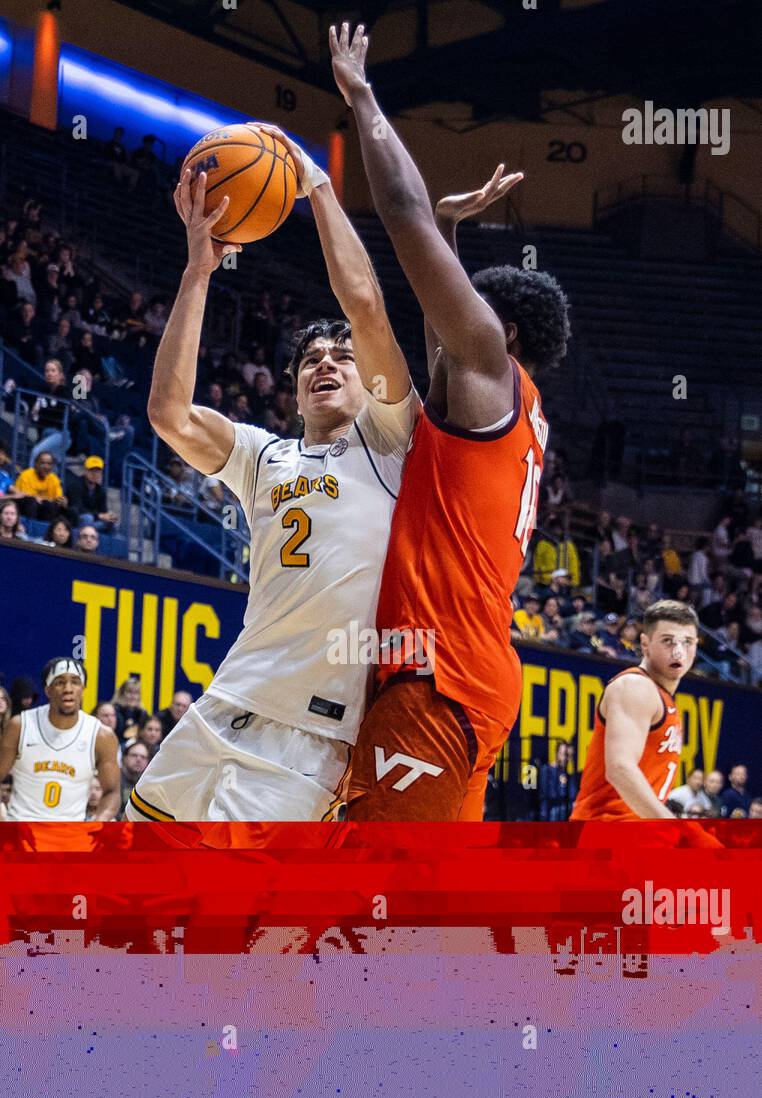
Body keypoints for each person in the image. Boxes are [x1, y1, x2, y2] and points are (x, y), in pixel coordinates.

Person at [125, 123, 418, 823]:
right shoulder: (264, 456)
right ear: (291, 389)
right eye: (310, 358)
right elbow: (168, 412)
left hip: (312, 731)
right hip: (226, 701)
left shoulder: (388, 444)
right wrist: (199, 269)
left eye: (340, 358)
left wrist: (314, 183)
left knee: (237, 920)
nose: (325, 362)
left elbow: (367, 306)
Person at [330, 24, 570, 821]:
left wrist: (362, 97)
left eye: (470, 304)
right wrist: (454, 226)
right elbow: (443, 332)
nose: (454, 306)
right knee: (425, 914)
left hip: (438, 679)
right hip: (472, 675)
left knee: (368, 910)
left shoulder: (488, 366)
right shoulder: (509, 405)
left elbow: (401, 217)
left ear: (501, 331)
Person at [571, 600, 699, 820]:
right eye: (668, 641)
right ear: (645, 643)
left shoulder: (662, 696)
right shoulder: (636, 686)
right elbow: (620, 769)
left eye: (687, 642)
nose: (679, 652)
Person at [0, 657, 120, 820]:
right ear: (47, 689)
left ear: (83, 688)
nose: (68, 689)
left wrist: (96, 825)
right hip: (21, 830)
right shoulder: (20, 726)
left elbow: (112, 793)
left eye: (75, 682)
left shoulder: (101, 735)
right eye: (59, 682)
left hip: (69, 836)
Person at [15, 451, 67, 523]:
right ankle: (30, 528)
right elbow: (26, 497)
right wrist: (44, 500)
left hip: (46, 508)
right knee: (32, 502)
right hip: (26, 507)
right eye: (42, 463)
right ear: (36, 464)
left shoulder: (54, 479)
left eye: (49, 464)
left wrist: (62, 501)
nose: (46, 466)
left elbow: (57, 498)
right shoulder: (26, 475)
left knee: (51, 506)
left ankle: (48, 530)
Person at [538, 741, 578, 820]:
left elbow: (573, 795)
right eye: (565, 755)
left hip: (564, 810)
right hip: (549, 812)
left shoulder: (567, 775)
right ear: (557, 753)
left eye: (570, 756)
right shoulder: (546, 770)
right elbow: (549, 795)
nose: (567, 759)